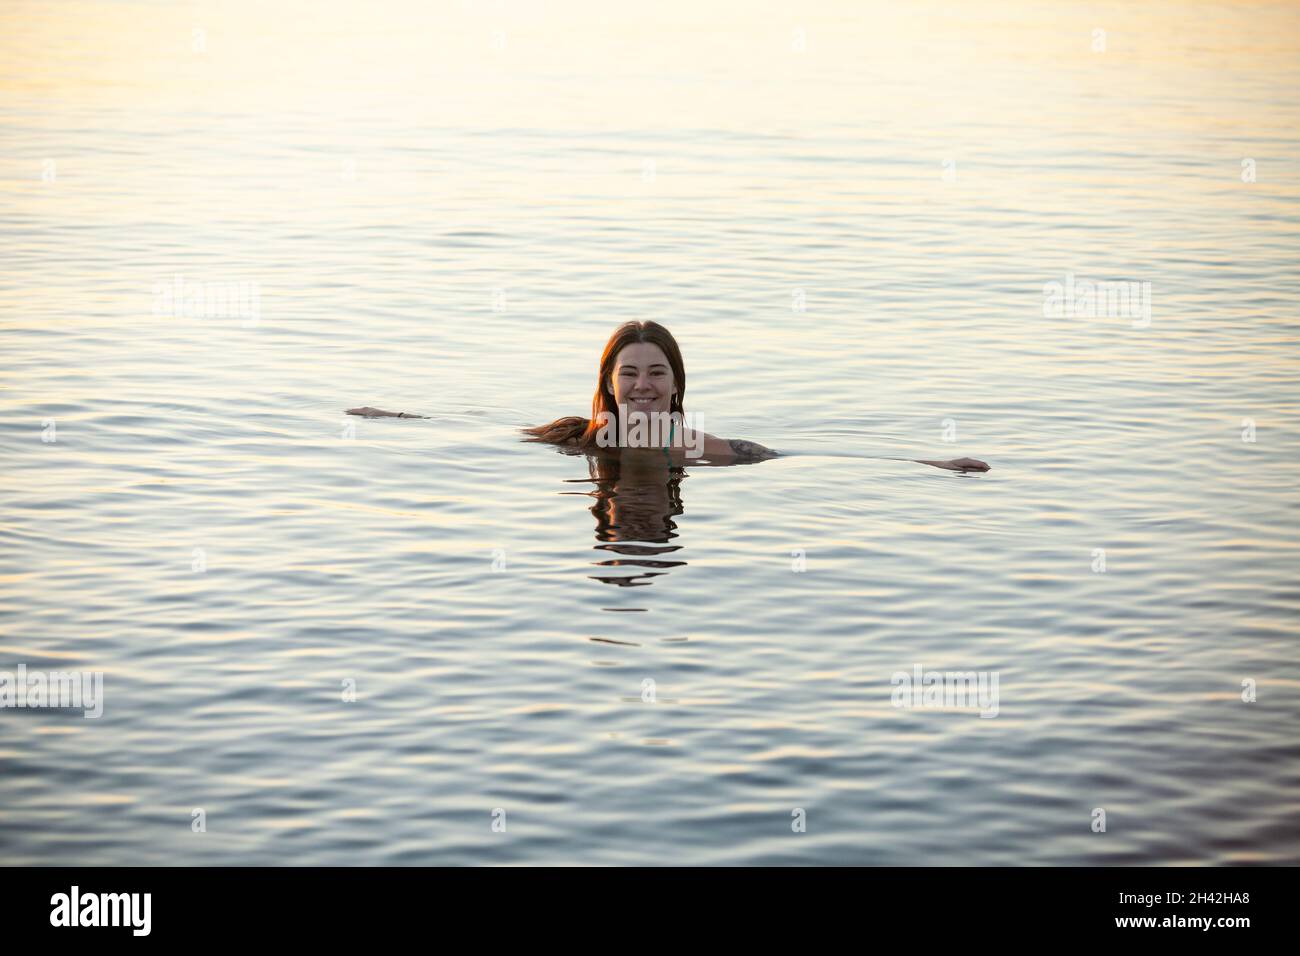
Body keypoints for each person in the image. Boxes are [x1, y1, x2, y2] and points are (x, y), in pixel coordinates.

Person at [349, 320, 990, 471]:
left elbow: (801, 459)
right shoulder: (580, 437)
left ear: (677, 384)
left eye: (657, 373)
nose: (643, 385)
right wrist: (392, 415)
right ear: (610, 384)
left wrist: (930, 465)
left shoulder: (697, 447)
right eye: (629, 374)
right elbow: (479, 433)